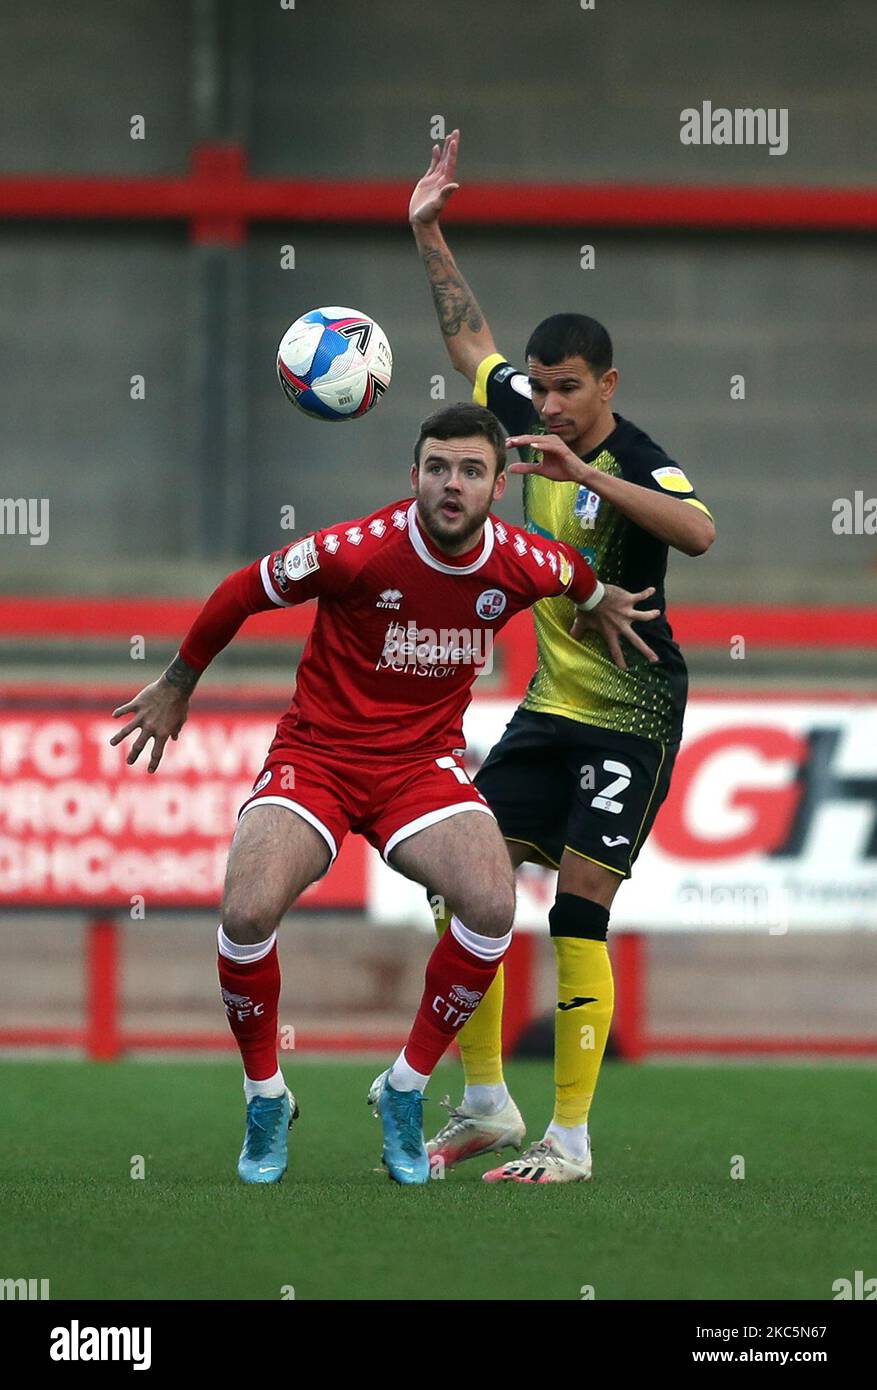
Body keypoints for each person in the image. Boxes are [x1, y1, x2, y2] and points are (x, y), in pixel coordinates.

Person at [109, 403, 659, 1186]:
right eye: (437, 467)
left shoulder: (524, 561)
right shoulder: (355, 552)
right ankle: (265, 1094)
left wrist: (600, 597)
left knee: (492, 904)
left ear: (498, 487)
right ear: (414, 476)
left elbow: (576, 576)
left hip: (420, 769)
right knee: (245, 910)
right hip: (318, 757)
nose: (451, 484)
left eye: (471, 470)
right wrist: (176, 683)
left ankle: (405, 1087)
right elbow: (241, 590)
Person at [409, 132, 716, 1183]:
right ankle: (488, 1102)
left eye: (567, 389)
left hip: (634, 707)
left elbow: (699, 532)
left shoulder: (634, 457)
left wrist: (590, 468)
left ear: (607, 384)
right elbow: (468, 342)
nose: (546, 407)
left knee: (578, 905)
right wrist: (428, 228)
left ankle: (572, 1140)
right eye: (539, 390)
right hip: (549, 704)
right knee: (466, 884)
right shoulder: (523, 416)